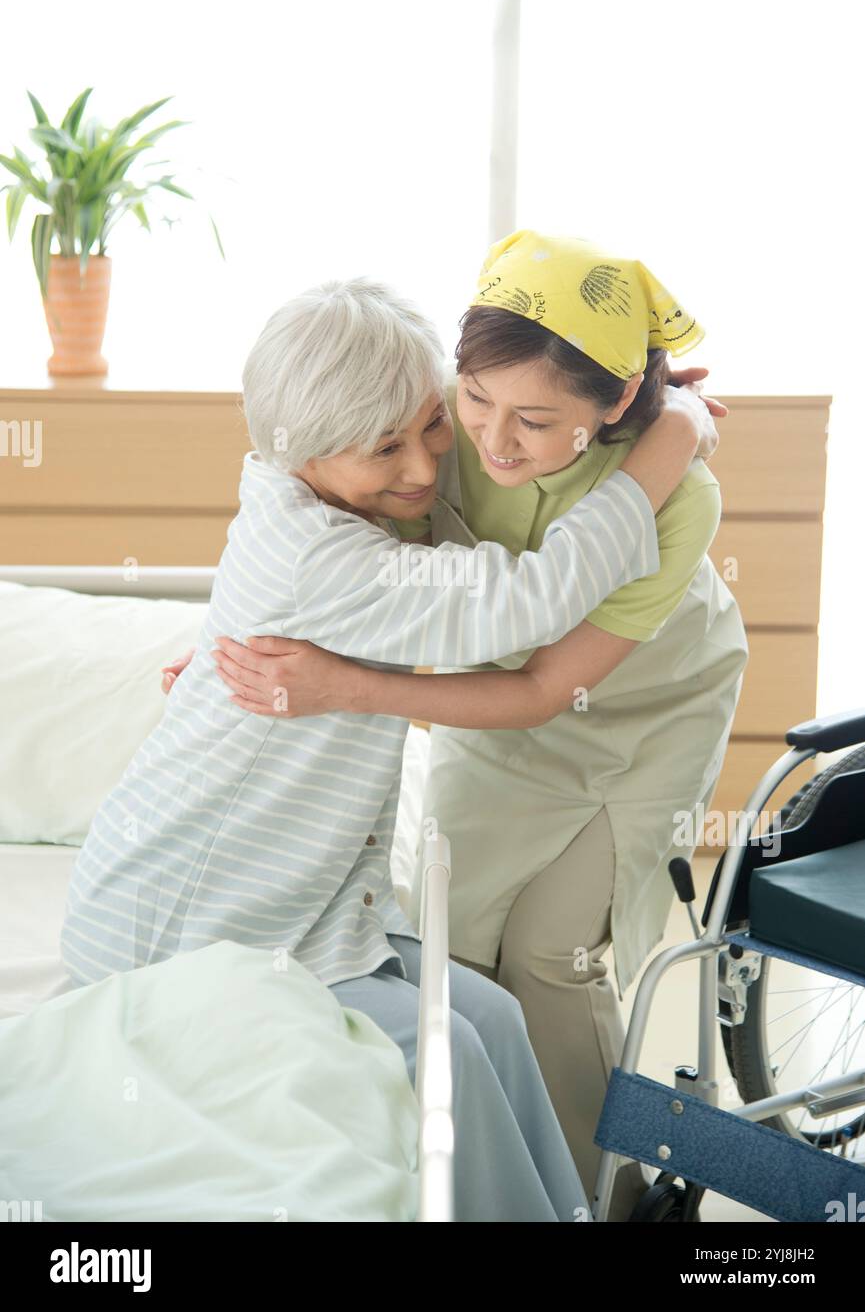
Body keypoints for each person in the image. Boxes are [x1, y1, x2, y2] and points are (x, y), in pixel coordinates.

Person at [62, 275, 717, 1222]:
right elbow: (532, 599)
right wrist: (678, 433)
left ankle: (576, 1211)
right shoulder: (331, 561)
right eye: (384, 448)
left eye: (429, 424)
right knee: (456, 1036)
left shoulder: (308, 494)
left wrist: (618, 396)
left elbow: (494, 392)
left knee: (492, 1014)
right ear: (302, 449)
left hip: (294, 905)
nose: (423, 468)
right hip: (188, 937)